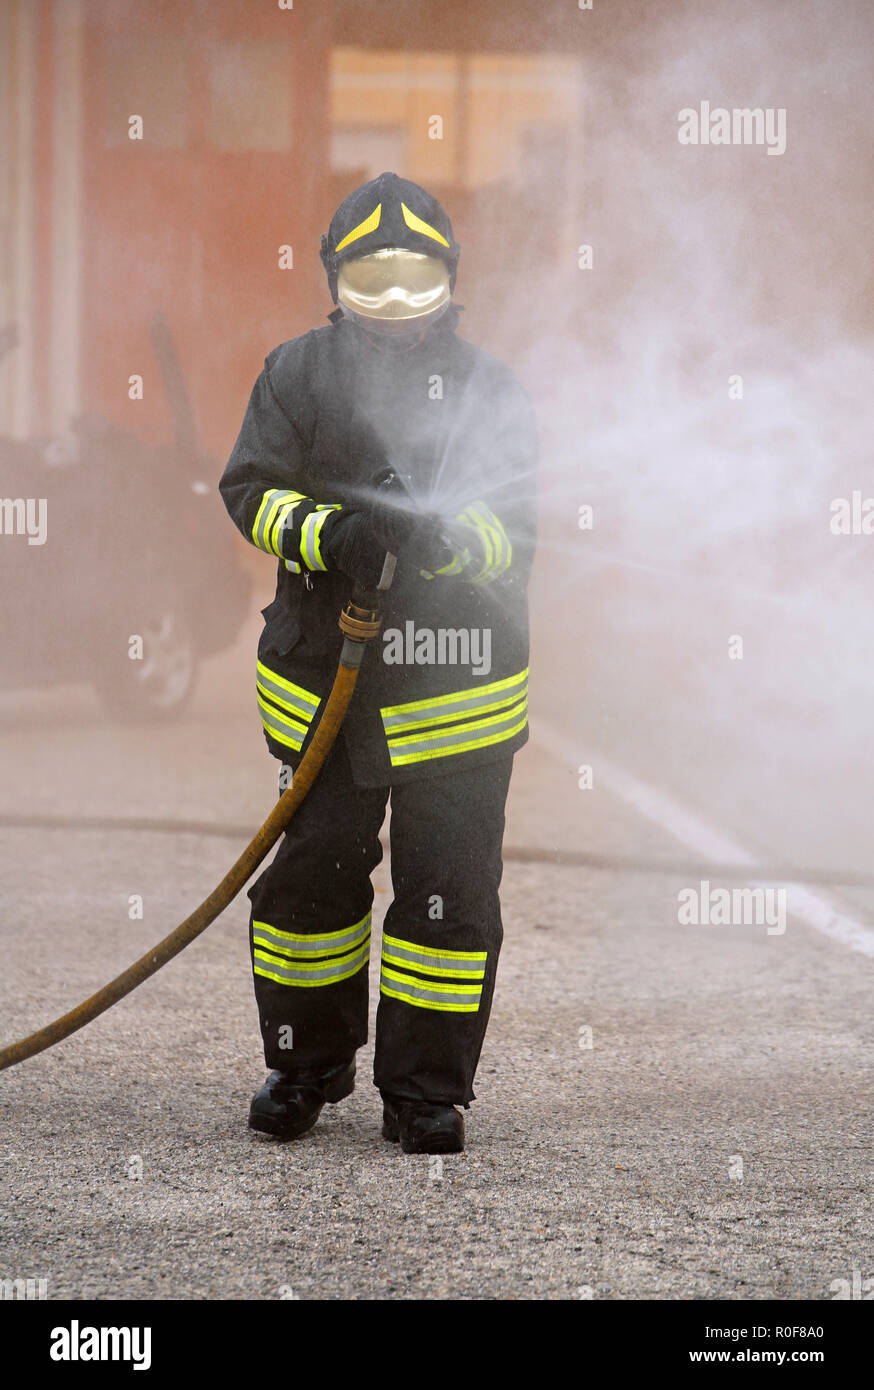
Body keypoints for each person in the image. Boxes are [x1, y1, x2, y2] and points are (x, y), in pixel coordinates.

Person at [219, 172, 537, 1153]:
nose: (396, 301)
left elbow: (517, 525)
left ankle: (423, 1091)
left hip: (458, 694)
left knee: (446, 891)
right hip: (328, 683)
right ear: (334, 277)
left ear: (448, 277)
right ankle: (302, 1066)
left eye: (415, 277)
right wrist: (332, 534)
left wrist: (449, 543)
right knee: (311, 884)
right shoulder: (298, 373)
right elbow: (250, 491)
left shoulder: (490, 387)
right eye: (372, 278)